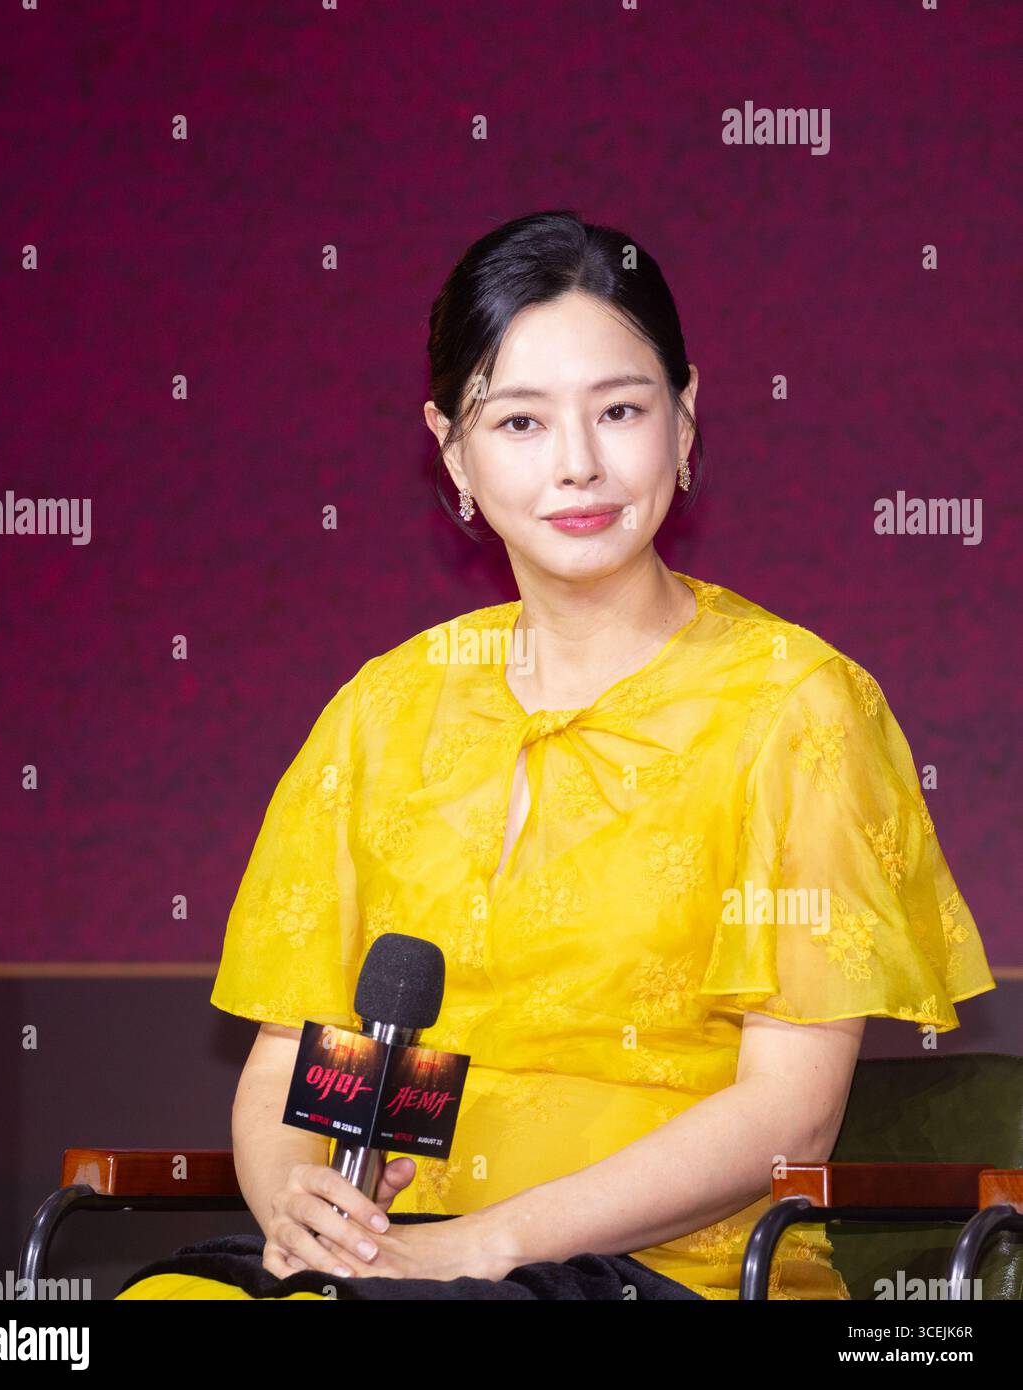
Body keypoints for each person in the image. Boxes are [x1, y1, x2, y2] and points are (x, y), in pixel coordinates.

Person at [117, 210, 997, 1301]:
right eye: (521, 423)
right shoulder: (383, 710)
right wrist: (300, 1202)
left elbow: (790, 1111)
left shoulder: (796, 705)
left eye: (619, 410)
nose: (577, 466)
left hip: (661, 1271)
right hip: (383, 1264)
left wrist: (479, 1245)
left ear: (683, 421)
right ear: (451, 449)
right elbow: (296, 1055)